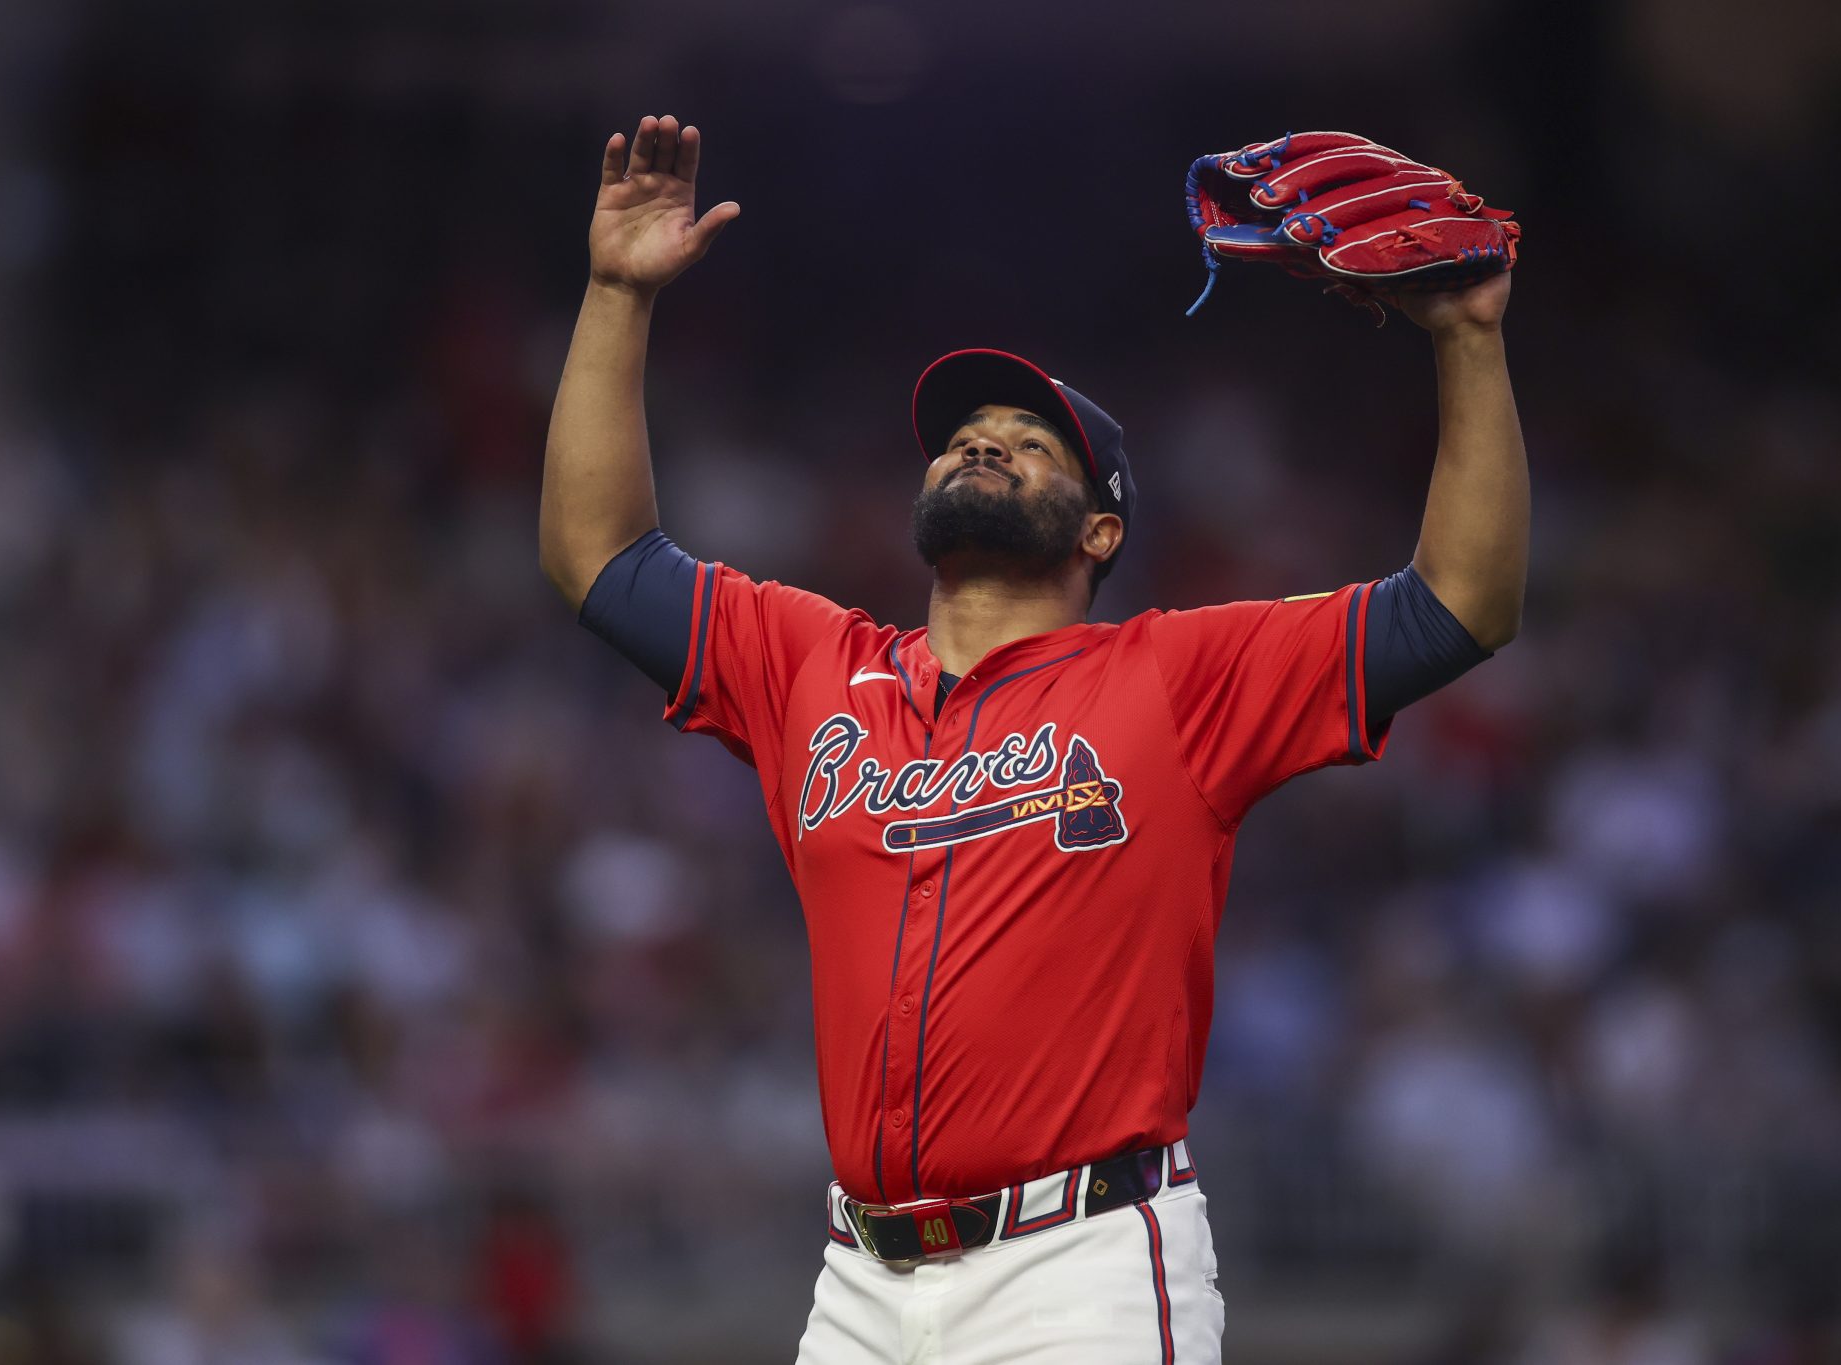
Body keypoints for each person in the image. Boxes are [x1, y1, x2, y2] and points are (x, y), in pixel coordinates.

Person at [540, 114, 1527, 1364]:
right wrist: (615, 297)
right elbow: (597, 557)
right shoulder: (811, 665)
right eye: (963, 432)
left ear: (1100, 531)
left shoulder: (1175, 677)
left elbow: (1459, 604)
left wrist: (1469, 344)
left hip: (1081, 1268)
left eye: (1029, 440)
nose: (979, 440)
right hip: (857, 1279)